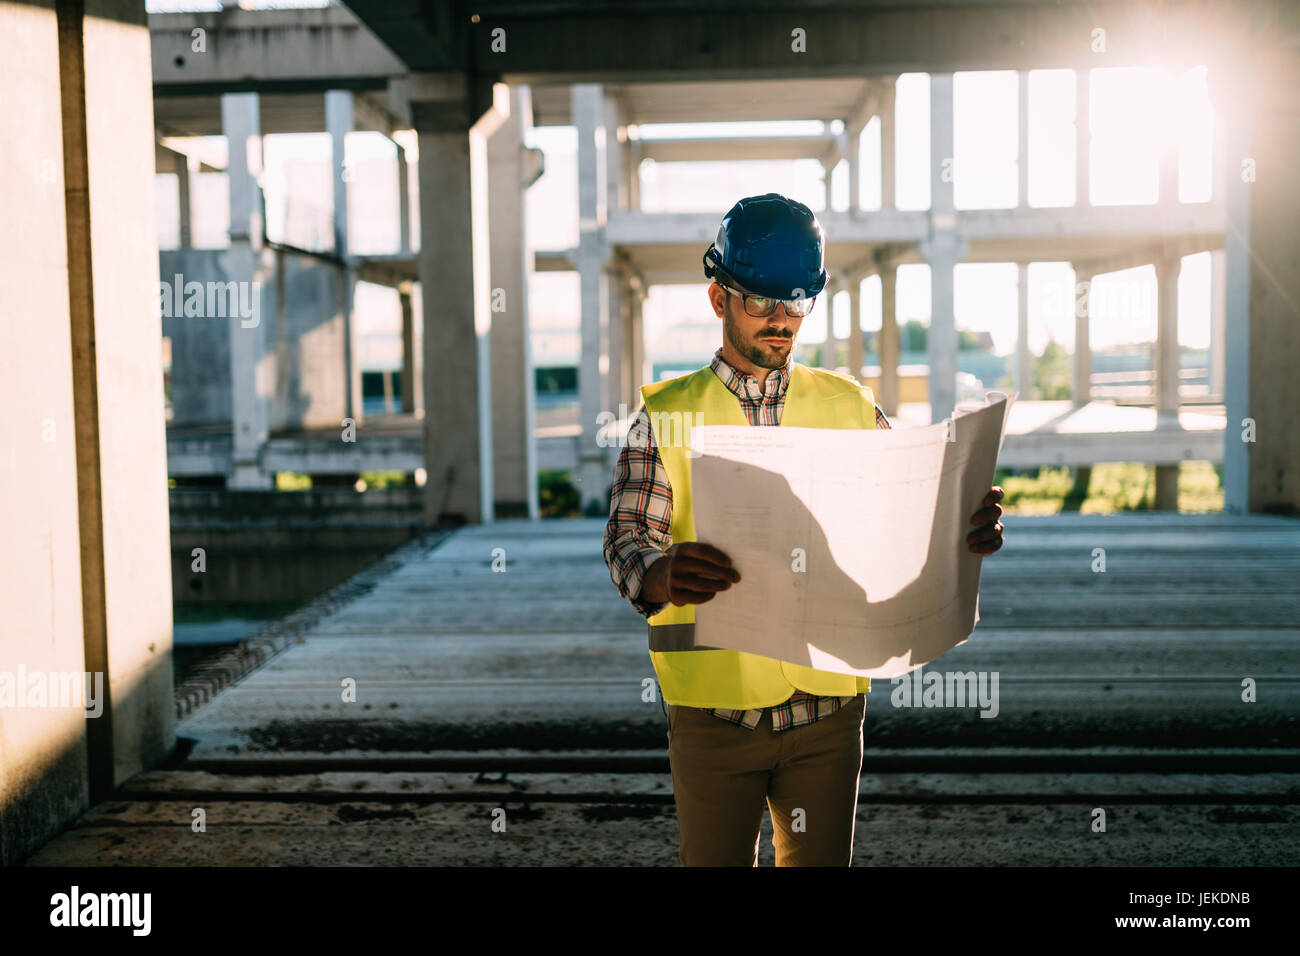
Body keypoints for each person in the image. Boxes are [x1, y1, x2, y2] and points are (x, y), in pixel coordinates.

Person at [602, 193, 1005, 866]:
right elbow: (626, 540)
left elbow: (904, 512)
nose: (780, 320)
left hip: (828, 717)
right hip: (714, 720)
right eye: (760, 302)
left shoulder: (848, 406)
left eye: (795, 301)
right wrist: (662, 572)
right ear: (719, 298)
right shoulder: (668, 415)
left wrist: (961, 523)